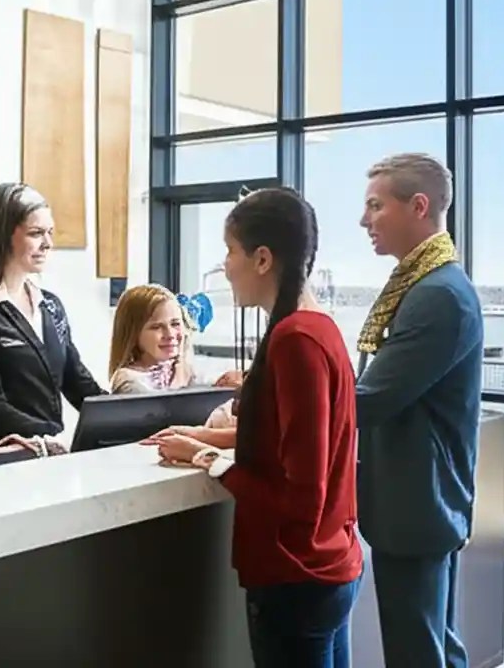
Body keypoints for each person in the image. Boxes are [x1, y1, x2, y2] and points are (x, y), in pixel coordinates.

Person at [152, 188, 363, 667]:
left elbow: (300, 497)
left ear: (263, 258)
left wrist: (211, 462)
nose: (226, 267)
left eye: (231, 252)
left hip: (296, 575)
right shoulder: (319, 327)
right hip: (330, 565)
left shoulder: (294, 341)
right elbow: (294, 444)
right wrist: (204, 438)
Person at [354, 153, 484, 667]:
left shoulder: (438, 296)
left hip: (417, 504)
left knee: (417, 652)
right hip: (422, 503)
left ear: (419, 206)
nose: (364, 220)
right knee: (434, 645)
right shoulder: (427, 284)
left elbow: (370, 399)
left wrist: (276, 395)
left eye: (375, 206)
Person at [0, 183, 105, 452]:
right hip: (3, 461)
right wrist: (55, 434)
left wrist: (122, 417)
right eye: (36, 233)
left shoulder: (50, 305)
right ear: (1, 236)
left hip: (49, 455)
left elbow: (79, 383)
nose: (48, 243)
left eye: (50, 233)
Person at [107, 283, 206, 393]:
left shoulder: (189, 371)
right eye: (156, 327)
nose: (170, 334)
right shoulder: (128, 379)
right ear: (133, 334)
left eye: (175, 324)